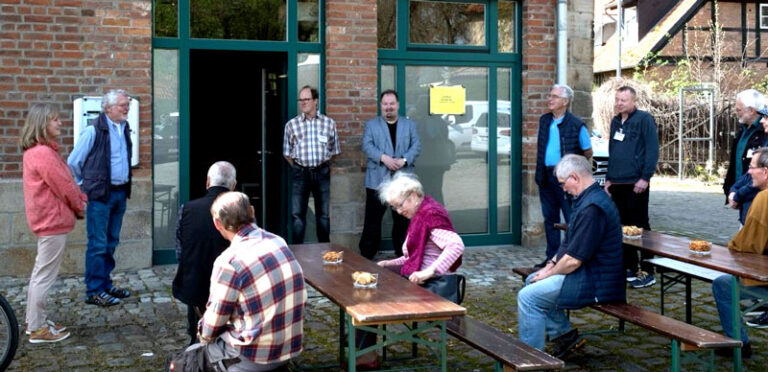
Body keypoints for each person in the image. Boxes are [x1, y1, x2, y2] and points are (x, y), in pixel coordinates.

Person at [348, 171, 464, 369]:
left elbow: (456, 246)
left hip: (433, 286)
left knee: (372, 295)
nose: (398, 211)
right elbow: (414, 256)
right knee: (370, 283)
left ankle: (365, 348)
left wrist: (429, 271)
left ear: (413, 196)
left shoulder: (431, 214)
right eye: (394, 207)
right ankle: (362, 337)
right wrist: (390, 263)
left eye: (400, 205)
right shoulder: (420, 213)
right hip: (420, 280)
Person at [187, 191, 307, 371]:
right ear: (252, 212)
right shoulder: (279, 241)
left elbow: (211, 326)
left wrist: (201, 335)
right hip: (290, 346)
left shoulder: (229, 261)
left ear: (217, 223)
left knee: (188, 360)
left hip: (253, 356)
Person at [518, 154, 624, 357]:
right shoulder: (585, 200)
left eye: (562, 183)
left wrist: (548, 275)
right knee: (532, 280)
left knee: (528, 297)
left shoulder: (593, 208)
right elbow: (567, 246)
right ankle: (565, 337)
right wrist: (548, 267)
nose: (562, 188)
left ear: (574, 177)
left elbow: (573, 260)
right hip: (587, 273)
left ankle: (531, 360)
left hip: (598, 280)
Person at [20, 103, 87, 343]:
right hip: (51, 221)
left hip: (48, 220)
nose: (60, 123)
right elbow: (65, 186)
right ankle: (37, 329)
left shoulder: (38, 152)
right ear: (42, 124)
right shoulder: (43, 153)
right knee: (44, 275)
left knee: (41, 273)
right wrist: (80, 206)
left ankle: (35, 322)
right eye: (55, 120)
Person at [68, 89, 133, 307]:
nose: (127, 108)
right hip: (100, 196)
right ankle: (94, 290)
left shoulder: (124, 128)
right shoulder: (93, 130)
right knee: (98, 243)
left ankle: (105, 284)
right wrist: (83, 186)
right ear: (108, 108)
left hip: (120, 192)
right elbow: (74, 162)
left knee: (111, 241)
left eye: (127, 104)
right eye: (122, 105)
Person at [711, 147, 768, 358]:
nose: (749, 172)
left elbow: (746, 246)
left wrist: (729, 247)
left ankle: (739, 344)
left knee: (723, 285)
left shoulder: (764, 199)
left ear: (766, 171)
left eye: (752, 168)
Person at [172, 161, 237, 345]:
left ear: (208, 182)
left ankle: (194, 334)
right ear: (233, 185)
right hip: (230, 288)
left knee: (194, 270)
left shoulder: (187, 209)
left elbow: (180, 250)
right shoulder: (241, 213)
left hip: (195, 286)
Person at [604, 85, 659, 289]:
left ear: (633, 101)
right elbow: (613, 150)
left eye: (623, 100)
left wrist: (645, 177)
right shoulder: (616, 121)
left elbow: (652, 150)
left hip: (636, 183)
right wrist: (608, 179)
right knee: (622, 227)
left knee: (640, 226)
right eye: (617, 99)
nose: (619, 103)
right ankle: (628, 266)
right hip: (617, 183)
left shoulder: (644, 119)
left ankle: (648, 269)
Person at [534, 84, 593, 268]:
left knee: (571, 219)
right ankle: (552, 257)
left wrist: (571, 167)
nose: (549, 99)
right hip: (546, 176)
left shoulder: (576, 124)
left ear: (565, 101)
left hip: (567, 179)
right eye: (549, 96)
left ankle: (572, 257)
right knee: (549, 219)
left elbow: (587, 151)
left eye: (554, 96)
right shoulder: (544, 120)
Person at [359, 89, 421, 258]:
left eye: (392, 104)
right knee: (372, 221)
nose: (388, 107)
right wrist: (383, 158)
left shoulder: (409, 125)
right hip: (377, 180)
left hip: (402, 182)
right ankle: (367, 256)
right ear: (381, 105)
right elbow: (366, 145)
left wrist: (404, 160)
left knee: (402, 221)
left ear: (398, 105)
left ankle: (403, 256)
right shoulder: (371, 125)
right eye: (385, 104)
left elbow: (416, 145)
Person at [283, 85, 340, 243]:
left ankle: (325, 251)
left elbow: (335, 151)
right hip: (300, 172)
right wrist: (299, 166)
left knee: (323, 215)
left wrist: (323, 165)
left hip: (322, 172)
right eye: (301, 99)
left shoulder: (328, 123)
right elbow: (287, 153)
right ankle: (297, 253)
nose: (303, 102)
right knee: (297, 215)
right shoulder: (291, 125)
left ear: (316, 101)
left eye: (307, 99)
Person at [726, 90, 768, 224]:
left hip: (755, 196)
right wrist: (732, 190)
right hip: (743, 194)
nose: (763, 121)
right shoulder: (742, 129)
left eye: (739, 109)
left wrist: (738, 194)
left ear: (751, 110)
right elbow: (747, 168)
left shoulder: (763, 134)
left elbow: (759, 171)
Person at [410, 95, 455, 204]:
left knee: (425, 191)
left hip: (424, 163)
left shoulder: (420, 122)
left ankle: (430, 216)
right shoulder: (439, 122)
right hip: (437, 163)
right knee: (436, 191)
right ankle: (438, 215)